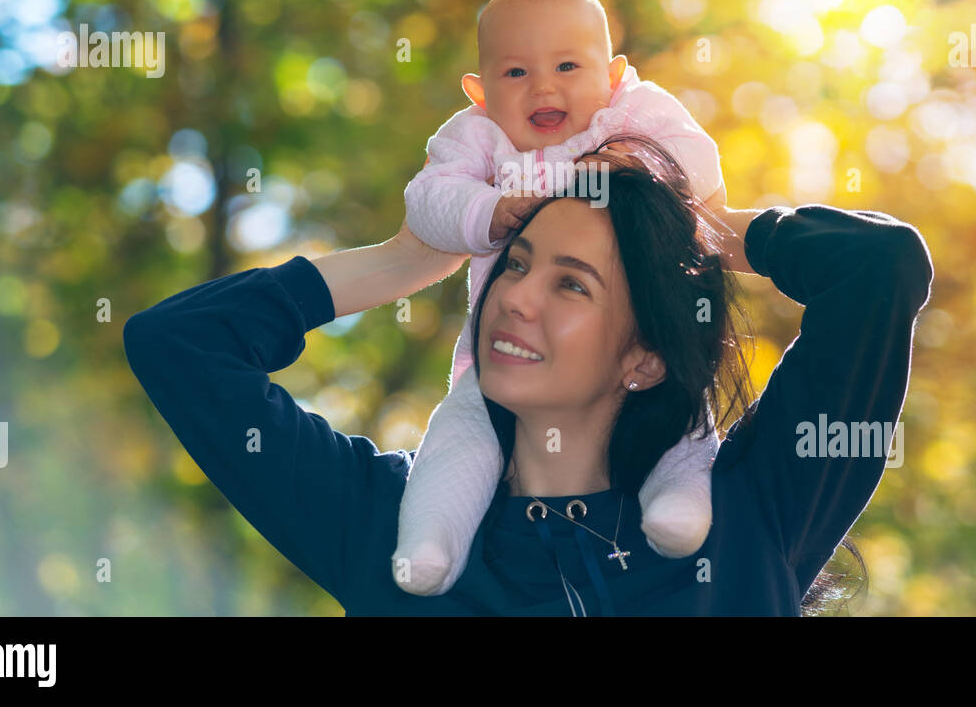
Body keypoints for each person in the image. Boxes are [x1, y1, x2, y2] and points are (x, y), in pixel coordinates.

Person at [123, 136, 934, 615]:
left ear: (644, 354)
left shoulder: (754, 512)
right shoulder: (386, 525)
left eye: (571, 283)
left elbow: (880, 266)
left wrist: (711, 233)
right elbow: (178, 344)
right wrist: (402, 259)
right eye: (514, 264)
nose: (515, 298)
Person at [400, 0, 730, 595]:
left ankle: (678, 506)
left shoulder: (630, 113)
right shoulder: (480, 139)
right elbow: (427, 199)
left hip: (635, 339)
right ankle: (429, 547)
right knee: (459, 432)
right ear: (479, 92)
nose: (544, 86)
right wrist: (487, 212)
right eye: (515, 73)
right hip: (499, 358)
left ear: (611, 74)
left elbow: (700, 160)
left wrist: (630, 166)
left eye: (568, 65)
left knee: (683, 415)